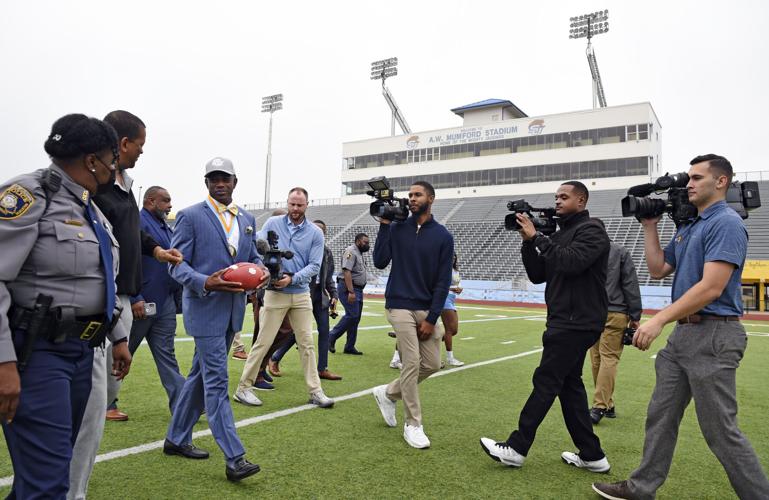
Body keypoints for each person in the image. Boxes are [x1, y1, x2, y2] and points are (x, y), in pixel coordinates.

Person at [593, 155, 769, 500]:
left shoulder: (727, 223)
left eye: (697, 177)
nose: (688, 183)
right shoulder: (690, 227)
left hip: (715, 333)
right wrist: (649, 226)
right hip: (684, 336)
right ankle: (641, 488)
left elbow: (711, 287)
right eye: (688, 177)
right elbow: (658, 269)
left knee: (720, 431)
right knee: (660, 415)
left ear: (720, 182)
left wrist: (659, 318)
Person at [0, 114, 132, 498]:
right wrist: (4, 362)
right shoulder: (29, 194)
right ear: (92, 159)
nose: (114, 166)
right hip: (36, 354)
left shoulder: (90, 207)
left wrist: (119, 336)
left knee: (42, 476)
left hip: (80, 352)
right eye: (111, 157)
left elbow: (99, 279)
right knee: (48, 483)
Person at [68, 111, 181, 500]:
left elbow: (128, 236)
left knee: (93, 408)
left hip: (120, 300)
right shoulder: (91, 187)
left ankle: (71, 488)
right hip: (98, 302)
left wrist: (155, 251)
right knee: (83, 410)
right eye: (139, 146)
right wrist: (123, 299)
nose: (140, 154)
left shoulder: (122, 186)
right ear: (122, 143)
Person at [479, 181, 611, 472]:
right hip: (567, 319)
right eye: (556, 197)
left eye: (564, 197)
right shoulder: (561, 234)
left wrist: (539, 237)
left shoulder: (592, 230)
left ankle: (516, 447)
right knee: (569, 386)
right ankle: (592, 455)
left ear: (582, 200)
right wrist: (528, 242)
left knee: (546, 380)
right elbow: (538, 275)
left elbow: (573, 262)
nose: (558, 201)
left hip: (576, 321)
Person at [163, 157, 264, 482]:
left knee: (199, 376)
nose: (219, 183)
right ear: (206, 182)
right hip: (205, 310)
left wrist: (261, 272)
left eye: (225, 178)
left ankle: (176, 439)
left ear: (235, 181)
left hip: (233, 312)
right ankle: (235, 458)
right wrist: (205, 281)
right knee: (217, 382)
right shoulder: (190, 216)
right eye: (213, 179)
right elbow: (176, 265)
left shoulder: (246, 218)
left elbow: (253, 259)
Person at [371, 181, 454, 449]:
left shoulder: (443, 236)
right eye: (410, 195)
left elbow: (443, 282)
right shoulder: (397, 228)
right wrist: (384, 225)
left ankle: (387, 393)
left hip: (426, 308)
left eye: (418, 195)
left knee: (431, 364)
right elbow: (380, 261)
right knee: (411, 361)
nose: (412, 199)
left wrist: (432, 318)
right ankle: (414, 424)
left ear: (431, 198)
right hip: (398, 304)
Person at [235, 188, 334, 408]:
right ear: (287, 203)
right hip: (274, 294)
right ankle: (243, 388)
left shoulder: (315, 233)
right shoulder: (272, 224)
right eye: (292, 204)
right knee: (263, 342)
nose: (295, 209)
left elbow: (315, 266)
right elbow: (257, 247)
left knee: (307, 344)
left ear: (307, 204)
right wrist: (265, 268)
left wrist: (293, 279)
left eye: (299, 205)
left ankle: (315, 391)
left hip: (300, 294)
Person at [124, 186, 186, 412]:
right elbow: (127, 260)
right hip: (142, 303)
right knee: (123, 352)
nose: (170, 205)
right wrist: (134, 296)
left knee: (167, 355)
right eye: (165, 201)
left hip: (165, 302)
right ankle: (105, 401)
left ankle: (183, 402)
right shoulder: (137, 223)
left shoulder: (165, 227)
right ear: (150, 201)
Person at [270, 220, 342, 381]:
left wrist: (334, 295)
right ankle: (275, 358)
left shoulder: (327, 252)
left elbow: (328, 277)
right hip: (303, 294)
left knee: (324, 331)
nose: (319, 233)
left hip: (320, 296)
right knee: (299, 332)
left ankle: (322, 368)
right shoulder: (301, 249)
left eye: (322, 231)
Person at [588, 241, 642, 424]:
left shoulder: (586, 248)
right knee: (608, 358)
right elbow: (630, 282)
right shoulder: (620, 251)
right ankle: (603, 405)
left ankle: (603, 405)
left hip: (592, 311)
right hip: (615, 311)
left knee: (596, 358)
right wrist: (635, 315)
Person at [329, 233, 370, 355]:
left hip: (358, 289)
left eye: (368, 242)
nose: (367, 245)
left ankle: (350, 346)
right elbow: (346, 271)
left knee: (355, 318)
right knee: (352, 315)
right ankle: (331, 336)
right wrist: (351, 291)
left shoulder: (360, 253)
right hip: (349, 288)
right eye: (365, 242)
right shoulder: (351, 251)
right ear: (357, 241)